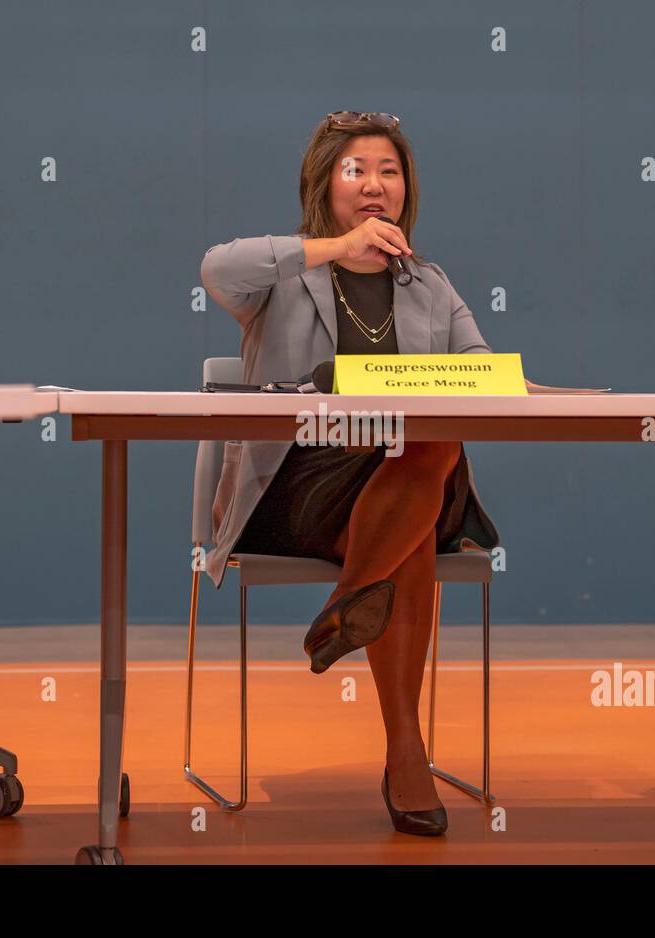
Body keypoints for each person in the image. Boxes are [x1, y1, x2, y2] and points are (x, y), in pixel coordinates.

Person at [200, 111, 501, 835]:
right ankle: (405, 752)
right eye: (356, 170)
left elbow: (480, 378)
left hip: (408, 474)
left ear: (407, 190)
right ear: (324, 186)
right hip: (298, 488)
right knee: (414, 532)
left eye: (389, 171)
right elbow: (216, 267)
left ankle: (353, 608)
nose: (375, 185)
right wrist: (335, 248)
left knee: (430, 444)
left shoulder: (430, 284)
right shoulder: (285, 277)